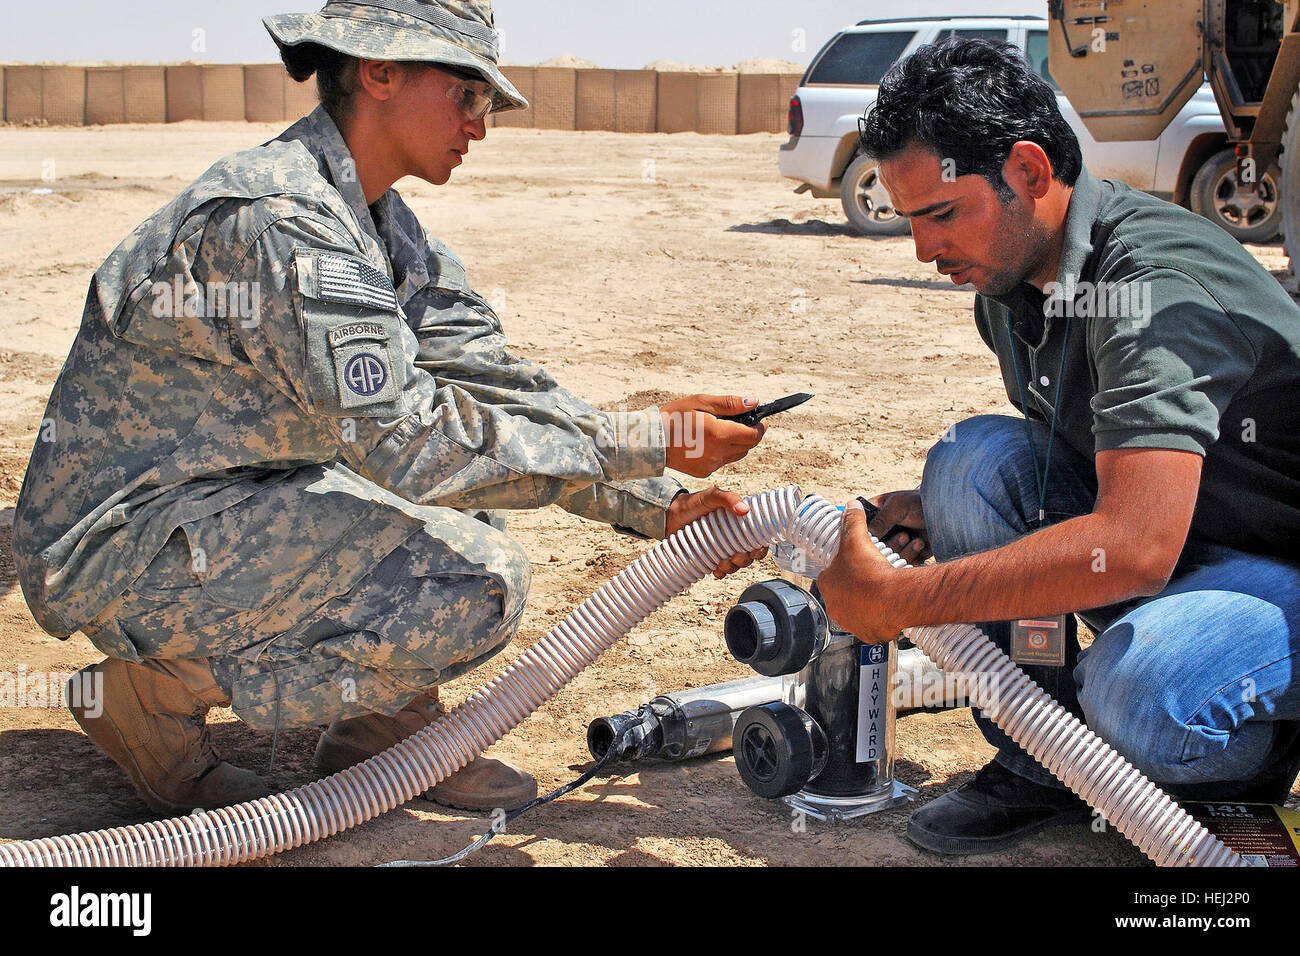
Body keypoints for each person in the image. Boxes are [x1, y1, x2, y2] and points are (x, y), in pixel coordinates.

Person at [12, 0, 769, 816]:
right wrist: (643, 441)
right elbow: (413, 444)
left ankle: (385, 736)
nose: (480, 124)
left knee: (471, 514)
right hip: (122, 545)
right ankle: (149, 697)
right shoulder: (284, 224)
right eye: (468, 93)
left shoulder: (377, 223)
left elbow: (490, 382)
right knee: (473, 580)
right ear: (379, 72)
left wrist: (659, 501)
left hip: (218, 500)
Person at [817, 38, 1300, 856]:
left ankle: (1242, 752)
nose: (924, 250)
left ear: (1031, 174)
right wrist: (927, 512)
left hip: (1274, 568)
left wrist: (900, 605)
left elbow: (1134, 547)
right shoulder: (1012, 282)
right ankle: (1038, 760)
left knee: (1141, 694)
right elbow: (1065, 454)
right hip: (1195, 544)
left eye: (941, 213)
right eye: (908, 220)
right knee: (968, 465)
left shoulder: (1152, 286)